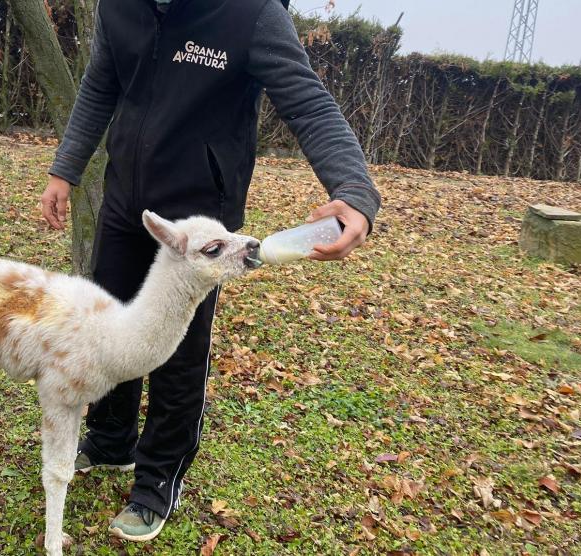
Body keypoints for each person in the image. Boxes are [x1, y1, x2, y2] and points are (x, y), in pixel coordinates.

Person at [40, 0, 381, 542]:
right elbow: (101, 84)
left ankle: (156, 481)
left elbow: (310, 104)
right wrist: (66, 168)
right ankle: (110, 441)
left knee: (177, 350)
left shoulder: (252, 14)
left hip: (203, 222)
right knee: (105, 322)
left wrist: (354, 193)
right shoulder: (118, 7)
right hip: (128, 206)